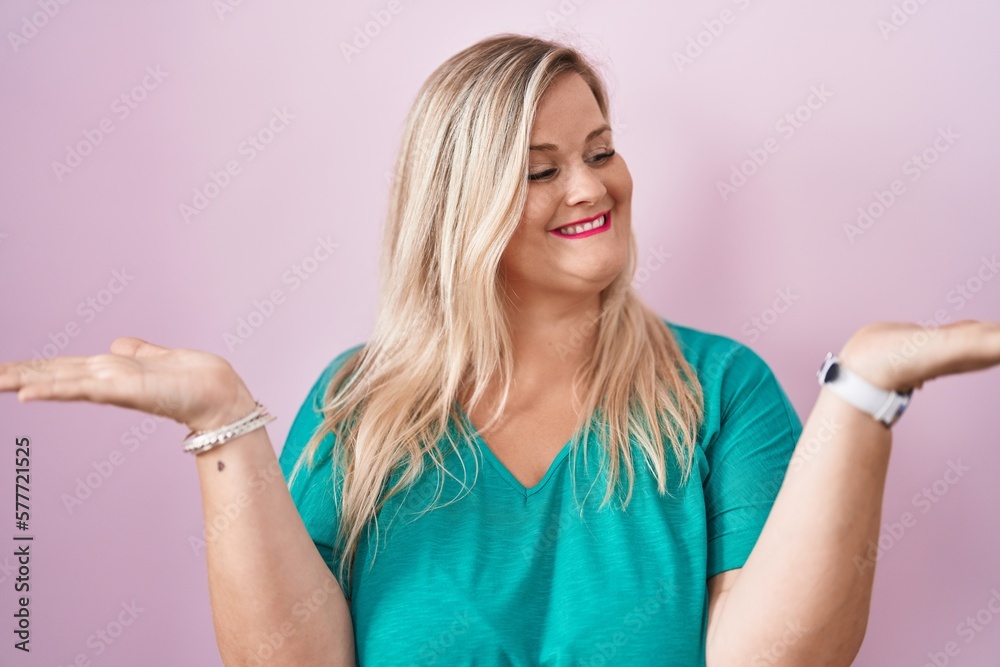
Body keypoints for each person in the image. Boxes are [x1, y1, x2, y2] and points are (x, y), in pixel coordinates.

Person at [1, 32, 998, 667]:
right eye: (539, 169)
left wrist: (863, 395)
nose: (591, 188)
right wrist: (223, 420)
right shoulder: (359, 403)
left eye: (600, 150)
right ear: (459, 207)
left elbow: (773, 660)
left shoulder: (720, 389)